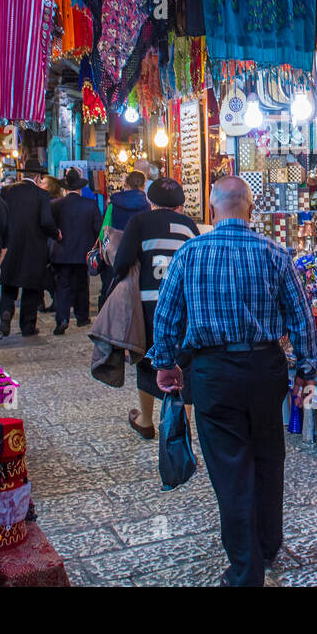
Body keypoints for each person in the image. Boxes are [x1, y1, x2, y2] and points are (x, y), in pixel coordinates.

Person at [151, 176, 317, 587]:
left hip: (213, 375)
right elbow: (302, 317)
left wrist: (166, 363)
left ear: (212, 211)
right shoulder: (275, 252)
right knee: (268, 458)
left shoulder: (190, 253)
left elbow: (167, 315)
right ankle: (267, 546)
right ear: (250, 210)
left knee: (231, 468)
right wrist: (306, 372)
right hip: (266, 371)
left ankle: (246, 571)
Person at [108, 177, 199, 440]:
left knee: (147, 360)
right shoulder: (189, 226)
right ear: (181, 204)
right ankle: (184, 426)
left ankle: (146, 421)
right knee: (184, 363)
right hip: (183, 306)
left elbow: (122, 261)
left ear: (149, 201)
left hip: (148, 303)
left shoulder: (139, 222)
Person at [0, 158, 59, 336]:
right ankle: (27, 325)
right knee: (31, 289)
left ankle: (6, 312)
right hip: (34, 248)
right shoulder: (42, 195)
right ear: (39, 177)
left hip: (10, 245)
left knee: (8, 285)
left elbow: (2, 216)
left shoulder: (7, 191)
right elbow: (46, 221)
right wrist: (56, 234)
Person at [49, 167, 101, 335]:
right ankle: (82, 316)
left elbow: (50, 227)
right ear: (79, 187)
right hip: (82, 252)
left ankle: (62, 318)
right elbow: (97, 229)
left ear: (66, 188)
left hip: (62, 251)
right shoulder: (90, 205)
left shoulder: (55, 205)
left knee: (63, 286)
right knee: (81, 285)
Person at [97, 170, 149, 308]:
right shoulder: (147, 206)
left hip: (115, 253)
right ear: (144, 185)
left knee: (110, 288)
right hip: (138, 254)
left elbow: (104, 232)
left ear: (126, 184)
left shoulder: (114, 204)